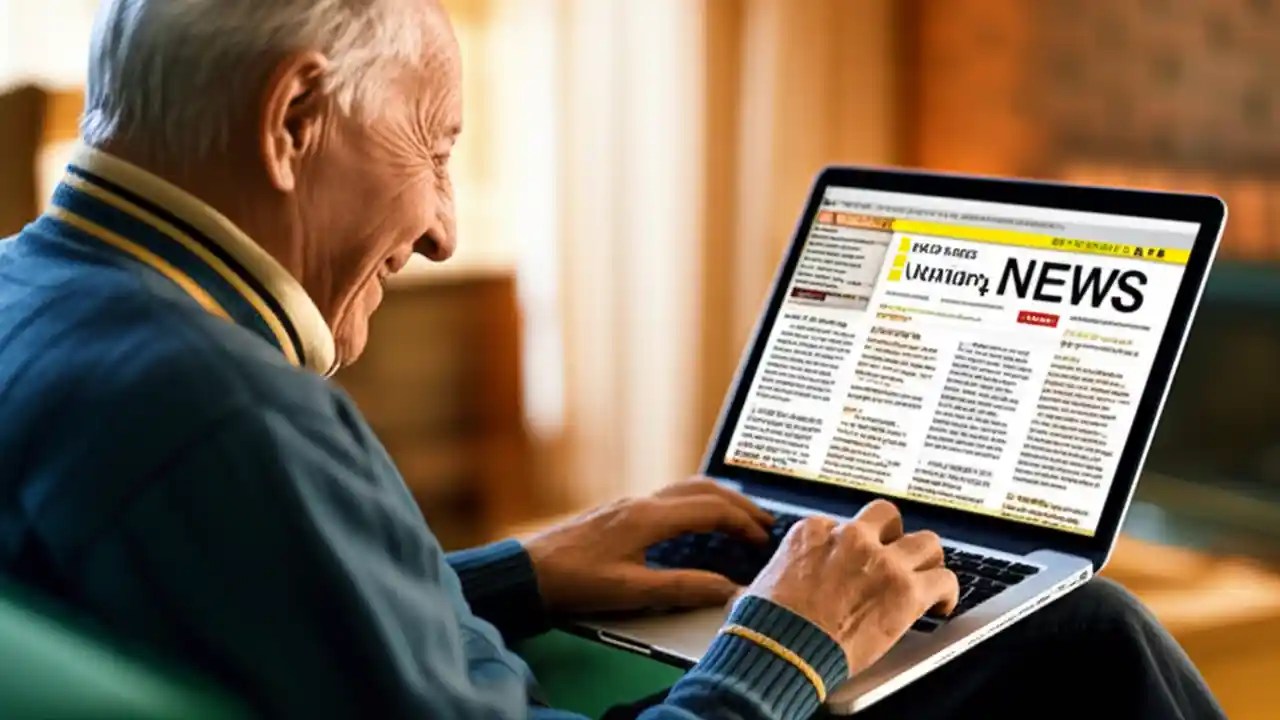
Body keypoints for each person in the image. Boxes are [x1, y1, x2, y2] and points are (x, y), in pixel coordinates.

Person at [0, 2, 1225, 719]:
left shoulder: (41, 301)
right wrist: (787, 647)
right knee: (1085, 638)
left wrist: (519, 573)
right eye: (433, 149)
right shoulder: (223, 412)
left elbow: (263, 610)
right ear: (291, 121)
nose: (441, 227)